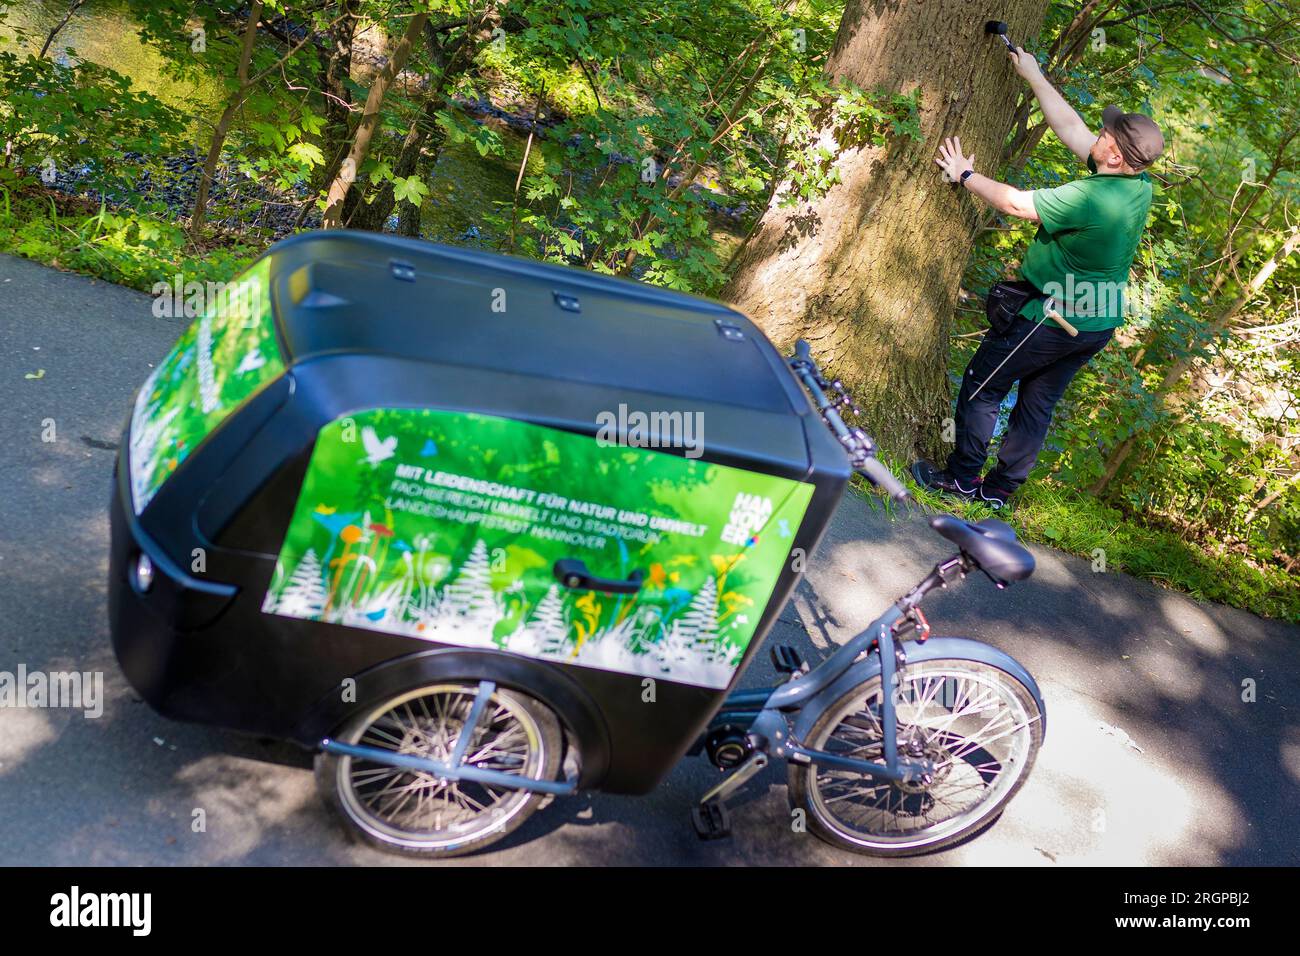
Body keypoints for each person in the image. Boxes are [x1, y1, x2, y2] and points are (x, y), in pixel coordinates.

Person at [914, 46, 1164, 510]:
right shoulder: (1136, 185)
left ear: (1112, 152)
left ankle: (962, 479)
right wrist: (1034, 75)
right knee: (1036, 403)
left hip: (1052, 318)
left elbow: (1015, 204)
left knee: (984, 384)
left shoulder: (1090, 198)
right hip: (1096, 322)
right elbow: (1073, 130)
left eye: (1106, 132)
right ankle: (999, 492)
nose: (1099, 132)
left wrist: (964, 173)